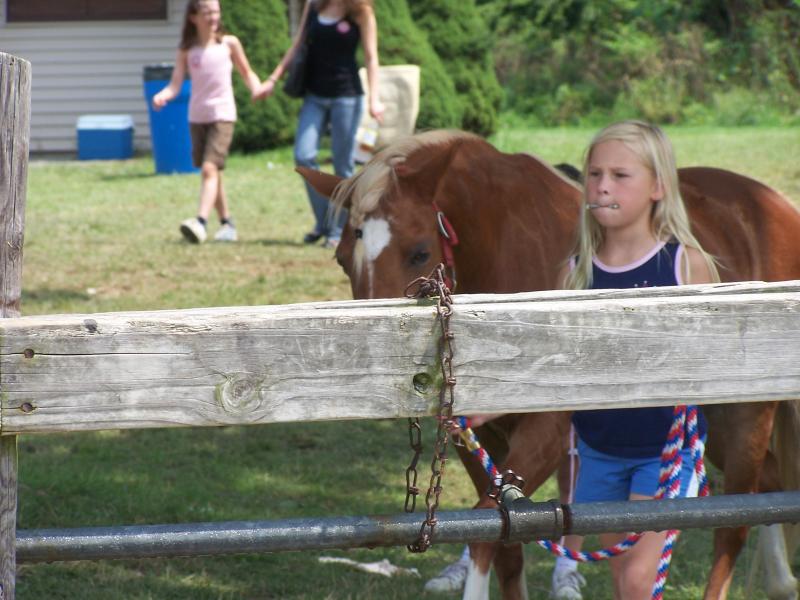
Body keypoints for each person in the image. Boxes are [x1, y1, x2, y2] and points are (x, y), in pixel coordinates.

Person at [549, 119, 719, 600]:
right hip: (600, 451)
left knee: (640, 581)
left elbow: (716, 352)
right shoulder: (575, 273)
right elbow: (553, 365)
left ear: (658, 187)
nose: (603, 186)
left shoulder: (686, 265)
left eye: (620, 176)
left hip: (665, 451)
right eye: (595, 174)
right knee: (624, 577)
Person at [258, 0, 384, 249]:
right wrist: (272, 79)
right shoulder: (313, 5)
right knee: (303, 156)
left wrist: (375, 99)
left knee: (342, 166)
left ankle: (338, 231)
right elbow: (297, 44)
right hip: (314, 95)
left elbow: (371, 57)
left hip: (347, 97)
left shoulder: (361, 12)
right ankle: (324, 222)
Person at [152, 0, 264, 244]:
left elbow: (247, 72)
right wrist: (163, 96)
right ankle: (227, 224)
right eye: (207, 12)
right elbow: (175, 84)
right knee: (213, 172)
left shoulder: (228, 44)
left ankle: (200, 222)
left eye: (216, 11)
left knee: (209, 169)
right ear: (193, 17)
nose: (213, 16)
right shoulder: (187, 50)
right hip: (197, 117)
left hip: (222, 115)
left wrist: (256, 88)